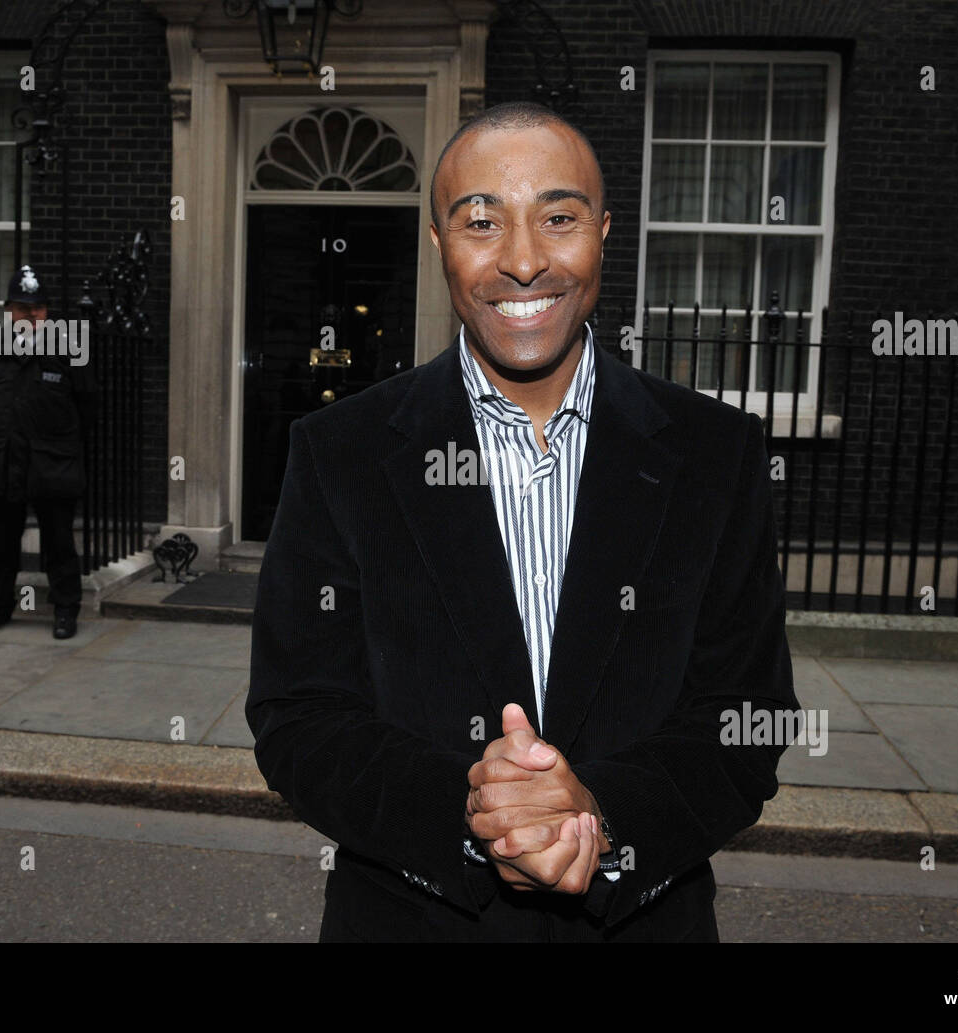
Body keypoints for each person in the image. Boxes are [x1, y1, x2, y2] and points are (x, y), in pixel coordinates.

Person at [245, 101, 798, 942]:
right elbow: (300, 716)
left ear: (603, 231)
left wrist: (598, 820)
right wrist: (480, 818)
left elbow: (745, 717)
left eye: (559, 217)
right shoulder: (340, 451)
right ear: (438, 245)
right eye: (481, 222)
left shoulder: (716, 454)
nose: (524, 261)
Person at [0, 265, 97, 640]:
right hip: (5, 458)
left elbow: (88, 405)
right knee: (3, 541)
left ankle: (65, 610)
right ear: (7, 310)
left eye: (39, 308)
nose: (31, 315)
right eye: (23, 307)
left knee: (58, 540)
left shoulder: (69, 348)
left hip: (52, 462)